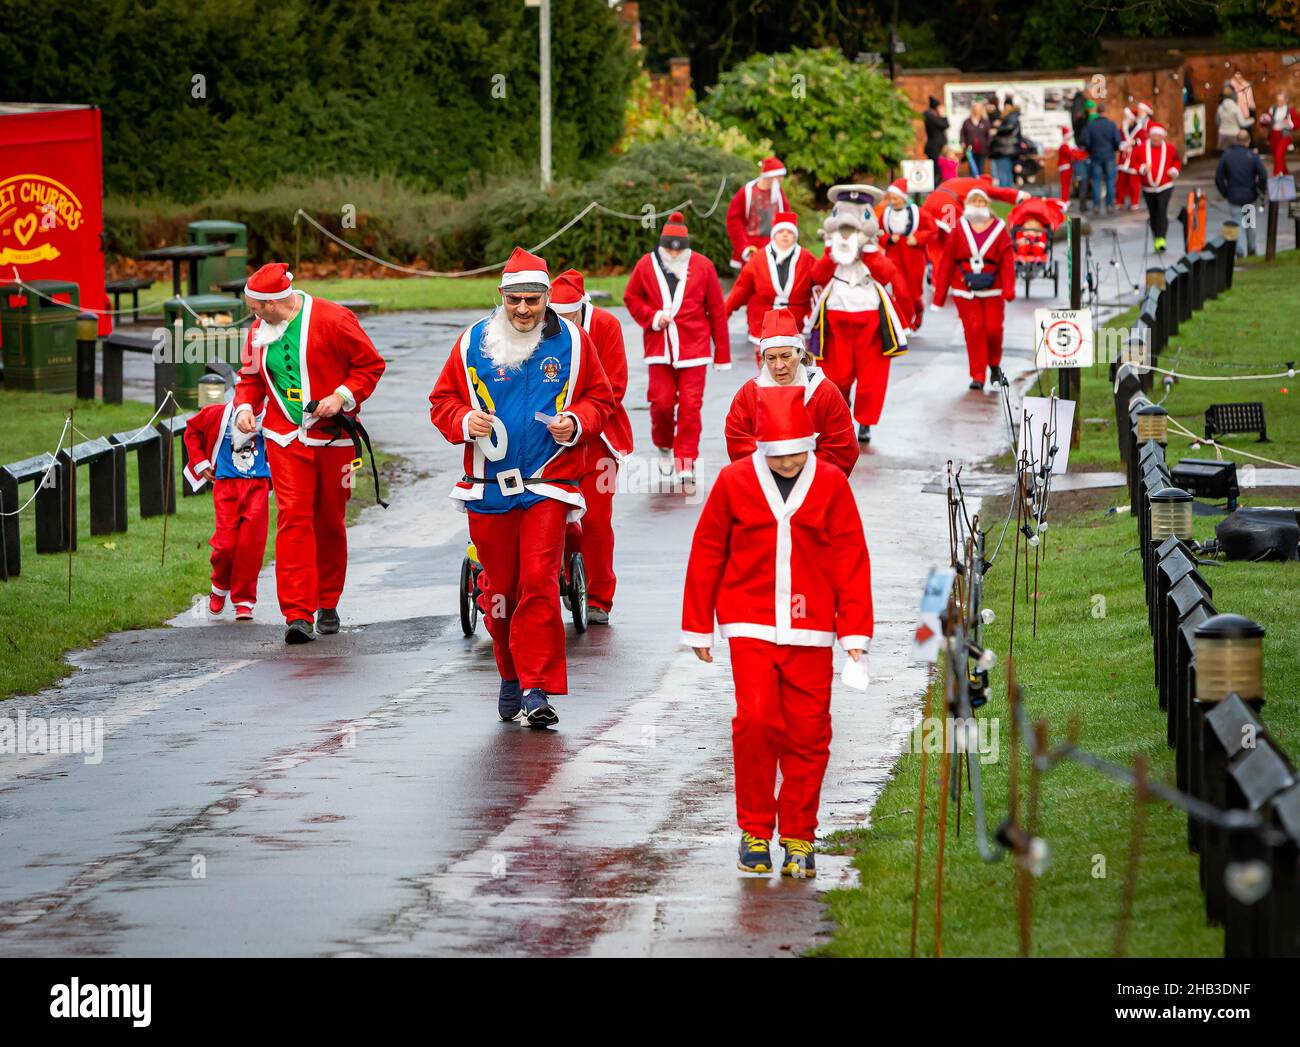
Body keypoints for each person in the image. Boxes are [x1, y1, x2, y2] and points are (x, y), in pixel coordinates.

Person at [681, 384, 873, 878]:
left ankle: (799, 837)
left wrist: (855, 636)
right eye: (778, 455)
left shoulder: (831, 483)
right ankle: (754, 830)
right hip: (749, 622)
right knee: (757, 722)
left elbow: (851, 558)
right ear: (762, 448)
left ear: (809, 445)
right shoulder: (733, 482)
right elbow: (707, 551)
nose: (787, 463)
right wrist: (699, 625)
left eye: (796, 453)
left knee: (810, 733)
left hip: (812, 629)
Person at [428, 248, 614, 728]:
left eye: (533, 300)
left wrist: (576, 422)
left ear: (548, 297)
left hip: (549, 483)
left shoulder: (573, 341)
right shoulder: (473, 342)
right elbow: (441, 400)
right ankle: (510, 675)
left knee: (538, 582)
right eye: (515, 301)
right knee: (499, 590)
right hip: (487, 486)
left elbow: (601, 399)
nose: (524, 309)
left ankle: (537, 687)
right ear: (501, 297)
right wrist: (463, 419)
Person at [234, 262, 386, 645]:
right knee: (293, 518)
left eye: (255, 307)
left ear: (273, 303)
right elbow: (250, 377)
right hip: (285, 439)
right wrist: (245, 408)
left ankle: (328, 600)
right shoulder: (257, 331)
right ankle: (297, 613)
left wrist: (341, 396)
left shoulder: (333, 319)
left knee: (330, 519)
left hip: (335, 440)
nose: (252, 315)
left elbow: (370, 365)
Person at [548, 268, 634, 625]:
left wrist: (578, 419)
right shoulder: (541, 324)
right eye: (558, 317)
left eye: (570, 317)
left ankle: (600, 597)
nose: (563, 323)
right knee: (553, 517)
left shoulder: (607, 326)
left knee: (597, 519)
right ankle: (559, 580)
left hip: (600, 437)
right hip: (551, 438)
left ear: (583, 306)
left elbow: (614, 388)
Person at [624, 210, 731, 482]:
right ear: (661, 247)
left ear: (686, 248)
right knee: (660, 403)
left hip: (694, 348)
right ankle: (663, 445)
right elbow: (631, 297)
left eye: (678, 251)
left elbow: (717, 310)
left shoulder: (703, 266)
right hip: (659, 347)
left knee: (690, 406)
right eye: (668, 251)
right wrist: (653, 317)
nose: (673, 256)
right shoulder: (646, 265)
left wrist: (722, 353)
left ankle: (686, 461)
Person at [808, 186, 913, 444]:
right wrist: (831, 252)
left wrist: (869, 250)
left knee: (871, 377)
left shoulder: (874, 251)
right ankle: (839, 418)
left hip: (871, 321)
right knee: (837, 375)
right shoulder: (831, 250)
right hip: (836, 318)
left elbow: (887, 275)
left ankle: (865, 422)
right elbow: (817, 276)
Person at [724, 307, 858, 477]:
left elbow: (843, 448)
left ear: (800, 354)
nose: (779, 365)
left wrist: (802, 475)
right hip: (764, 485)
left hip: (813, 487)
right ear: (763, 359)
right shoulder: (748, 394)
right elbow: (737, 440)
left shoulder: (825, 392)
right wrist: (772, 473)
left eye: (786, 356)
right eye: (771, 358)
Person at [183, 386, 270, 622]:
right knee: (225, 545)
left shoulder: (271, 415)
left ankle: (244, 601)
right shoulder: (219, 413)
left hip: (258, 487)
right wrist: (201, 463)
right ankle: (219, 587)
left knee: (251, 546)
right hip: (226, 486)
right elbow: (191, 430)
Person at [932, 186, 1015, 392]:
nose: (977, 206)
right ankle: (977, 375)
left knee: (993, 330)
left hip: (992, 287)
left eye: (981, 202)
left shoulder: (999, 229)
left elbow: (1007, 260)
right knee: (974, 330)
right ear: (967, 205)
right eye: (974, 202)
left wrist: (1009, 288)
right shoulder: (958, 228)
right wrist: (939, 296)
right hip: (964, 287)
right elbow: (947, 261)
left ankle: (994, 364)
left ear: (987, 205)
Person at [724, 210, 814, 366]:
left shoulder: (806, 258)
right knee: (767, 372)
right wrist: (723, 314)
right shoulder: (758, 258)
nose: (785, 235)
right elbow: (741, 289)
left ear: (795, 236)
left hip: (796, 323)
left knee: (795, 371)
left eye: (789, 232)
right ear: (774, 235)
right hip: (763, 323)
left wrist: (811, 316)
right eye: (781, 231)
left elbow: (819, 285)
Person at [875, 180, 935, 326]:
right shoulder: (885, 214)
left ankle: (918, 310)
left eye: (895, 198)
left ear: (903, 197)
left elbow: (932, 230)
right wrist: (888, 238)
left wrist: (918, 238)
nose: (892, 202)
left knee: (914, 295)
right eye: (890, 198)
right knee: (900, 292)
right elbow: (878, 232)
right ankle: (904, 323)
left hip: (913, 256)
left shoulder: (918, 213)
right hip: (893, 255)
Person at [725, 156, 791, 271]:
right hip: (752, 246)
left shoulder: (778, 194)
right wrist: (743, 246)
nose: (781, 180)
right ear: (770, 176)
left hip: (774, 245)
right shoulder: (747, 192)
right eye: (779, 177)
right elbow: (733, 219)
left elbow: (787, 218)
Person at [1215, 130, 1269, 257]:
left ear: (1236, 141)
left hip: (1233, 195)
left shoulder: (1227, 156)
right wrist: (1260, 189)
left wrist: (1225, 192)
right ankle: (1252, 249)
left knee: (1236, 223)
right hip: (1249, 195)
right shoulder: (1252, 156)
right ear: (1248, 141)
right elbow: (1263, 174)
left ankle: (1239, 251)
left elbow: (1218, 177)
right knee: (1249, 224)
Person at [1137, 122, 1181, 253]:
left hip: (1165, 186)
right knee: (1153, 213)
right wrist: (1143, 168)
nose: (1156, 138)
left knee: (1162, 210)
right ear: (1150, 136)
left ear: (1163, 137)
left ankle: (1161, 239)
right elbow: (1135, 163)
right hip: (1148, 188)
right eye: (1153, 135)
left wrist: (1174, 170)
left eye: (1158, 135)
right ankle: (1156, 237)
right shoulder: (1141, 149)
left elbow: (1176, 161)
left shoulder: (1170, 149)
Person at [1080, 102, 1121, 214]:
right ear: (1105, 112)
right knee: (1110, 181)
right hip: (1109, 156)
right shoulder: (1111, 125)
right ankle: (1109, 205)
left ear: (1097, 111)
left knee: (1096, 181)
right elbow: (1117, 141)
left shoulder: (1091, 125)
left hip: (1095, 156)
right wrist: (1113, 149)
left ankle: (1096, 205)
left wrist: (1091, 150)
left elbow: (1086, 142)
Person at [1260, 91, 1298, 176]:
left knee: (1278, 154)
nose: (1279, 102)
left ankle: (1277, 176)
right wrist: (1264, 120)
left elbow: (1297, 123)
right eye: (1278, 100)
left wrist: (1290, 123)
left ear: (1285, 100)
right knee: (1277, 157)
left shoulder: (1289, 110)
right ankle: (1285, 174)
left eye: (1281, 100)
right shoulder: (1273, 109)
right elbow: (1267, 122)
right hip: (1273, 135)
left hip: (1284, 135)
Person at [989, 96, 1021, 188]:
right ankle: (1009, 195)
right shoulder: (1012, 116)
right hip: (1008, 149)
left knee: (1003, 174)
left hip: (1004, 149)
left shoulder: (1011, 116)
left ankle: (1006, 195)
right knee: (1007, 174)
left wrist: (997, 130)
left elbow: (1009, 127)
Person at [1216, 84, 1253, 155]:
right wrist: (1251, 120)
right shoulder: (1236, 108)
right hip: (1234, 134)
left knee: (1225, 157)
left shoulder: (1220, 108)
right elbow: (1242, 123)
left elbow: (1218, 122)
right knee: (1236, 156)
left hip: (1222, 134)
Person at [960, 101, 991, 177]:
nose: (976, 110)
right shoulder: (967, 122)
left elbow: (989, 135)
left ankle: (980, 186)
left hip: (982, 149)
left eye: (978, 108)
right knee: (972, 169)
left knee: (981, 169)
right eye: (975, 108)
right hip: (970, 149)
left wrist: (988, 144)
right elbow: (962, 133)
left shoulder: (985, 121)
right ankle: (973, 185)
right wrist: (962, 142)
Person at [923, 96, 949, 186]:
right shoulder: (930, 116)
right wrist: (943, 115)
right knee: (936, 170)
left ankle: (936, 186)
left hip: (938, 147)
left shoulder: (933, 116)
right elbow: (945, 125)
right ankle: (934, 188)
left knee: (940, 170)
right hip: (934, 148)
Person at [1057, 127, 1083, 201]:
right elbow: (1072, 154)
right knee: (1065, 185)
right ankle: (1065, 200)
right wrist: (1080, 154)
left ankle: (1065, 199)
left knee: (1066, 185)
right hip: (1065, 167)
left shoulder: (1065, 145)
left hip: (1065, 166)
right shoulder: (1065, 145)